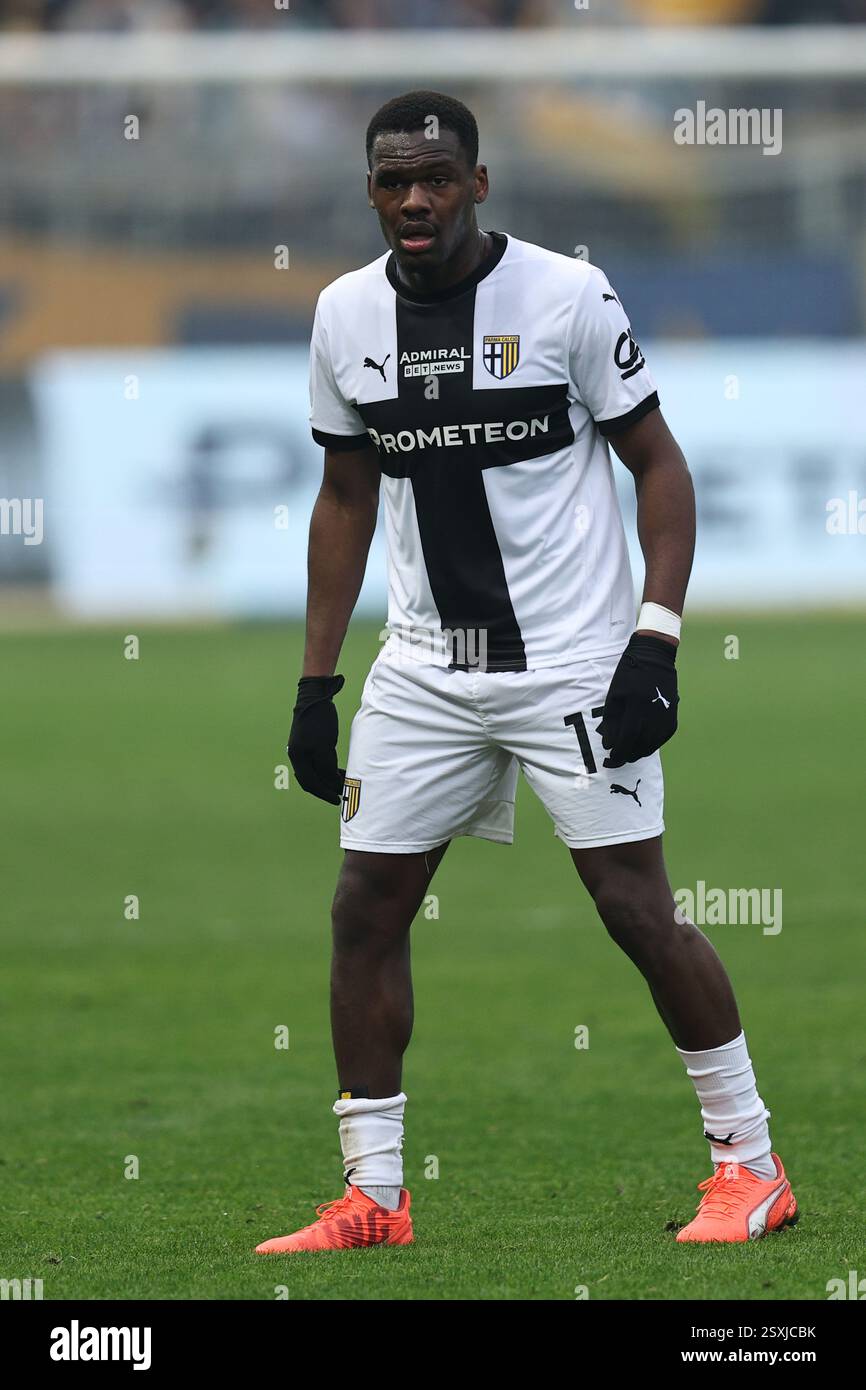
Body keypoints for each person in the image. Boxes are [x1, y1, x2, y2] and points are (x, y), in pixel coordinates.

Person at [256, 89, 797, 1254]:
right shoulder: (343, 314)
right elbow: (345, 495)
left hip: (572, 667)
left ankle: (750, 1168)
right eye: (393, 180)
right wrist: (315, 684)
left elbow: (656, 463)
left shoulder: (563, 295)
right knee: (363, 909)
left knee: (634, 909)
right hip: (421, 671)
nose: (414, 199)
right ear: (368, 190)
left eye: (435, 178)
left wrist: (653, 638)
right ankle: (374, 1198)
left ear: (476, 185)